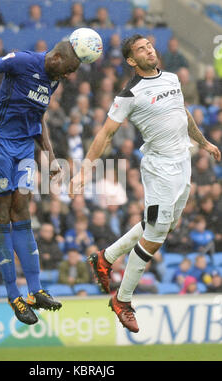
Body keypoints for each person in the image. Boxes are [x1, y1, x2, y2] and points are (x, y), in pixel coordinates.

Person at [69, 34, 221, 333]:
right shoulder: (129, 94)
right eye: (141, 49)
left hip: (182, 162)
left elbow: (183, 113)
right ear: (131, 60)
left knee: (164, 226)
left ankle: (105, 257)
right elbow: (106, 134)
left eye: (149, 45)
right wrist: (85, 169)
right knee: (156, 233)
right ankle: (122, 300)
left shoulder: (173, 78)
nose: (149, 50)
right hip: (159, 166)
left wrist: (203, 142)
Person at [0, 34, 81, 325]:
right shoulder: (21, 61)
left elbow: (39, 118)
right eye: (69, 69)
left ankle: (35, 291)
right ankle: (14, 296)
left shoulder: (53, 79)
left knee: (23, 211)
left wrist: (49, 153)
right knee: (2, 214)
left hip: (24, 147)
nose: (70, 75)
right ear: (57, 58)